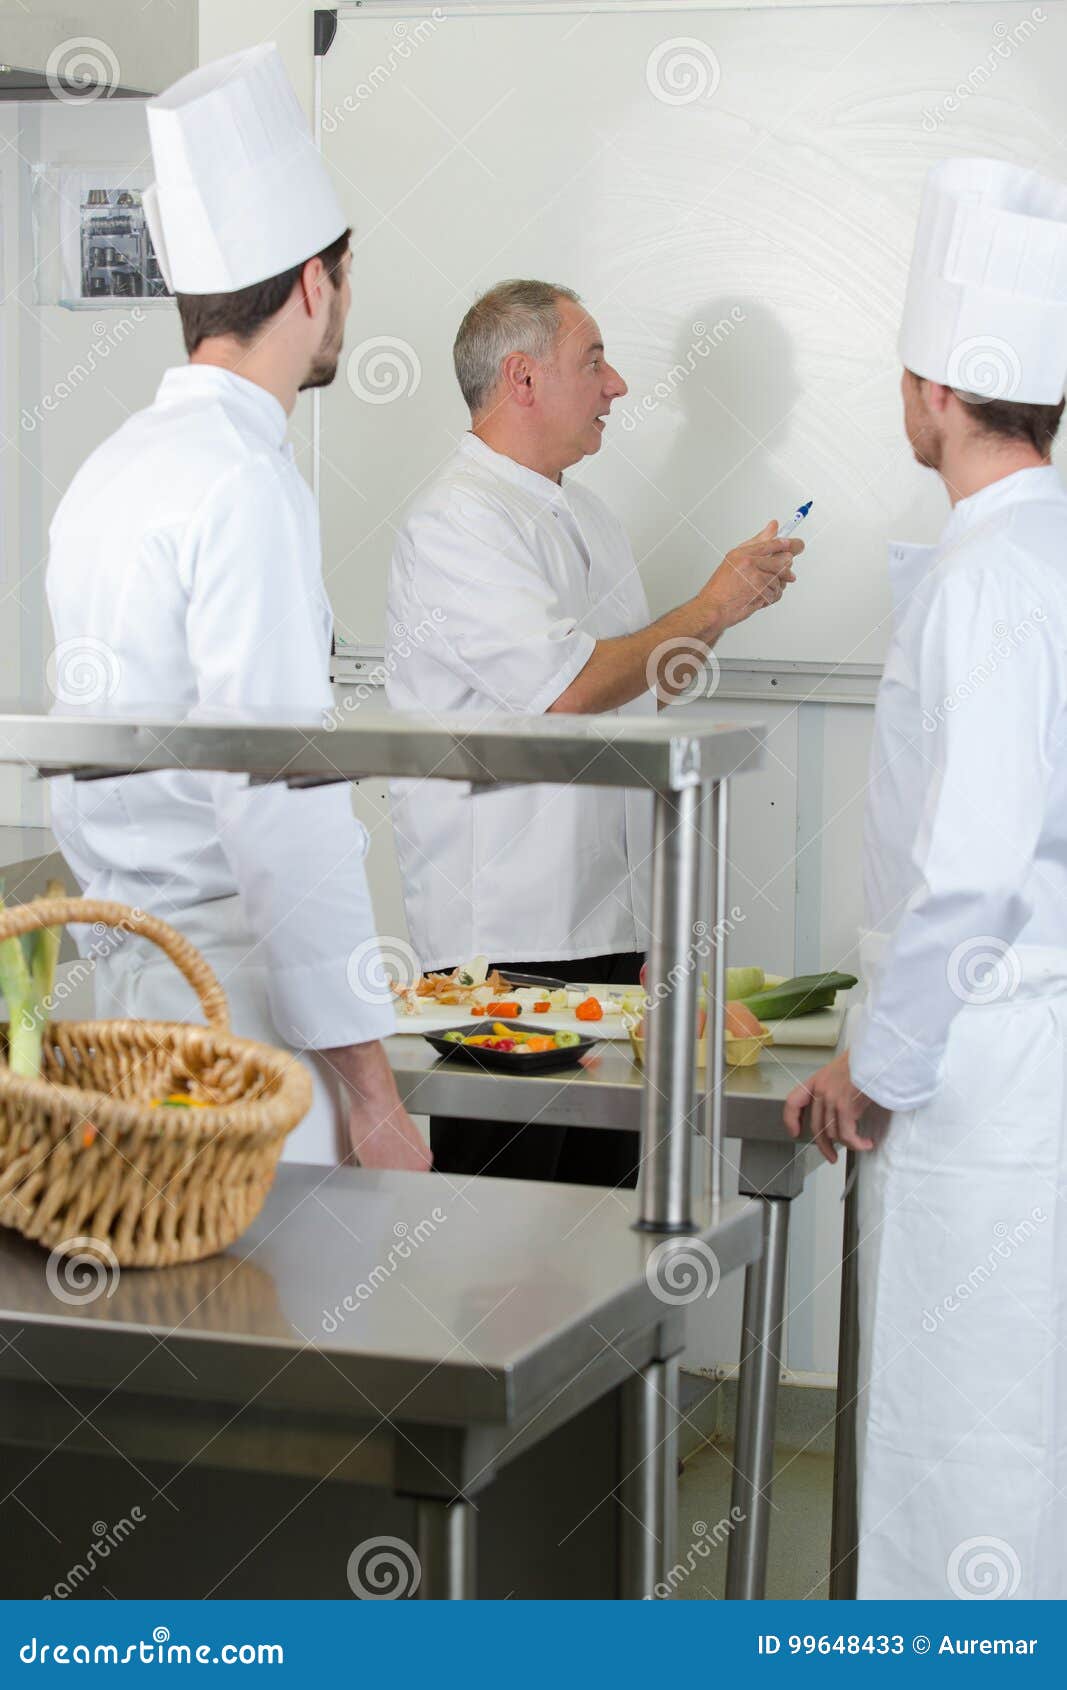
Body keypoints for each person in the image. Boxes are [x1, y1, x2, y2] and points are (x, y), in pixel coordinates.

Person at [45, 45, 429, 1172]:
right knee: (275, 1335)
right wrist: (372, 1096)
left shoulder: (112, 467)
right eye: (346, 280)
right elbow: (282, 803)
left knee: (162, 1339)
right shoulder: (246, 483)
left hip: (119, 1017)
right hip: (237, 1030)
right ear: (317, 280)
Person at [784, 157, 1067, 1599]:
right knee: (1013, 1431)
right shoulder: (1036, 551)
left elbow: (968, 871)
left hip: (978, 1063)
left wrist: (872, 1068)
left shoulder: (984, 576)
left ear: (932, 394)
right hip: (1014, 1042)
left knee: (962, 1440)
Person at [386, 278, 802, 1184]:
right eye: (595, 361)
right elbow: (566, 689)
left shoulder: (587, 516)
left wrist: (727, 608)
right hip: (507, 943)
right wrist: (709, 601)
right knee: (499, 1241)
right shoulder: (458, 521)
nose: (615, 386)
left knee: (596, 1223)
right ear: (524, 379)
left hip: (605, 929)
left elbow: (635, 686)